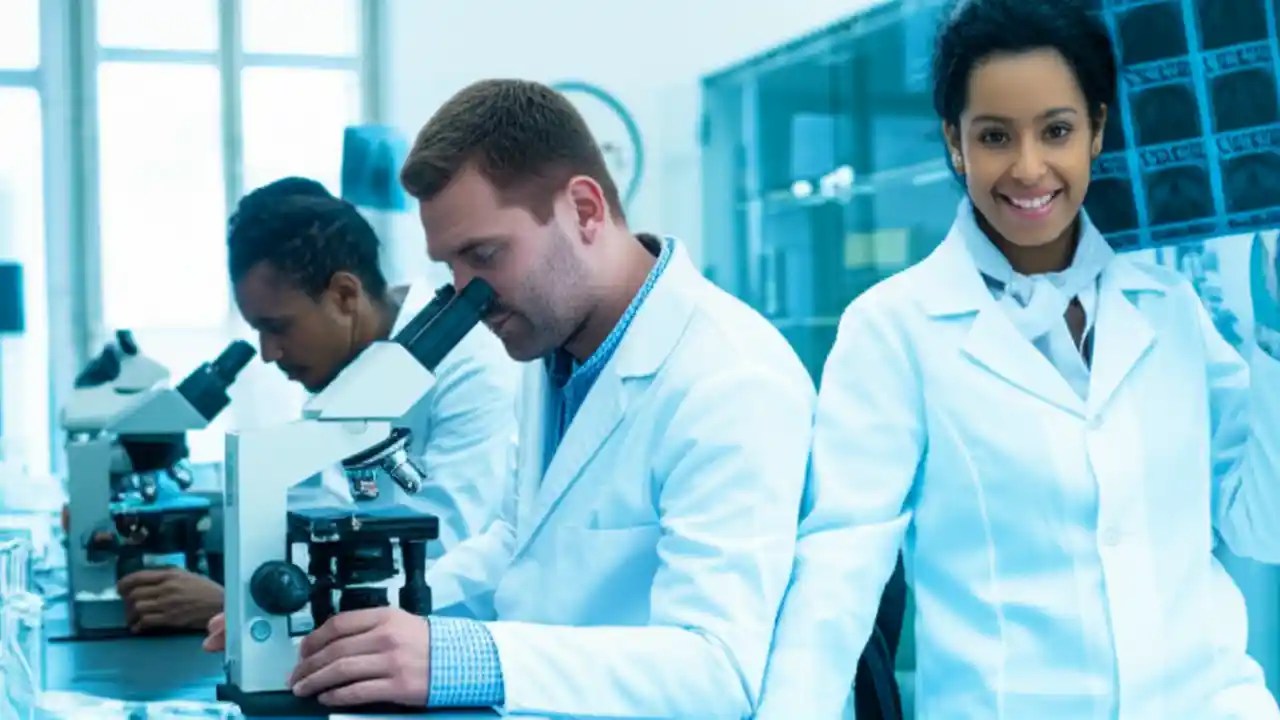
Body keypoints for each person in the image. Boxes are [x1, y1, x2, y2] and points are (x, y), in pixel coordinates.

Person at [205, 79, 815, 718]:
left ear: (584, 211)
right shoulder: (553, 355)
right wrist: (343, 622)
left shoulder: (731, 379)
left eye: (484, 255)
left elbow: (720, 669)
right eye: (450, 267)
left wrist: (465, 658)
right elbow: (516, 546)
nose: (469, 295)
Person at [758, 0, 1280, 717]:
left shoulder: (1170, 309)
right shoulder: (895, 328)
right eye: (995, 136)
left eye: (1056, 131)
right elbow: (838, 572)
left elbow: (1261, 526)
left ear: (1097, 130)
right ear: (955, 141)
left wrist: (1275, 338)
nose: (1029, 169)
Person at [117, 177, 521, 634]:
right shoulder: (350, 368)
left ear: (345, 295)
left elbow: (440, 553)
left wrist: (247, 605)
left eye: (277, 327)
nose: (268, 353)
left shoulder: (470, 367)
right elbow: (317, 500)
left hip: (439, 644)